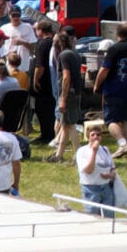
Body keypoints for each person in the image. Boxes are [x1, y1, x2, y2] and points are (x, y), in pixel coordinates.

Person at [93, 24, 127, 143]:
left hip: (115, 90)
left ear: (117, 34)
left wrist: (97, 85)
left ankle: (122, 143)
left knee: (110, 121)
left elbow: (105, 69)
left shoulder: (115, 49)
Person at [52, 30, 84, 163]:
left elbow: (66, 77)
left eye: (54, 42)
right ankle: (58, 154)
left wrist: (63, 99)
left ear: (58, 43)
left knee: (70, 125)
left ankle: (79, 155)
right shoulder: (74, 54)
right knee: (65, 124)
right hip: (75, 92)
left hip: (68, 94)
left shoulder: (64, 55)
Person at [77, 121, 118, 216]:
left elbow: (112, 168)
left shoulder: (105, 149)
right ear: (88, 136)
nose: (96, 137)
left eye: (98, 134)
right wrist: (94, 151)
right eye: (93, 135)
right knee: (92, 219)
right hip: (91, 190)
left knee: (109, 218)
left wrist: (110, 175)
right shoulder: (82, 151)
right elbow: (88, 170)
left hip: (106, 188)